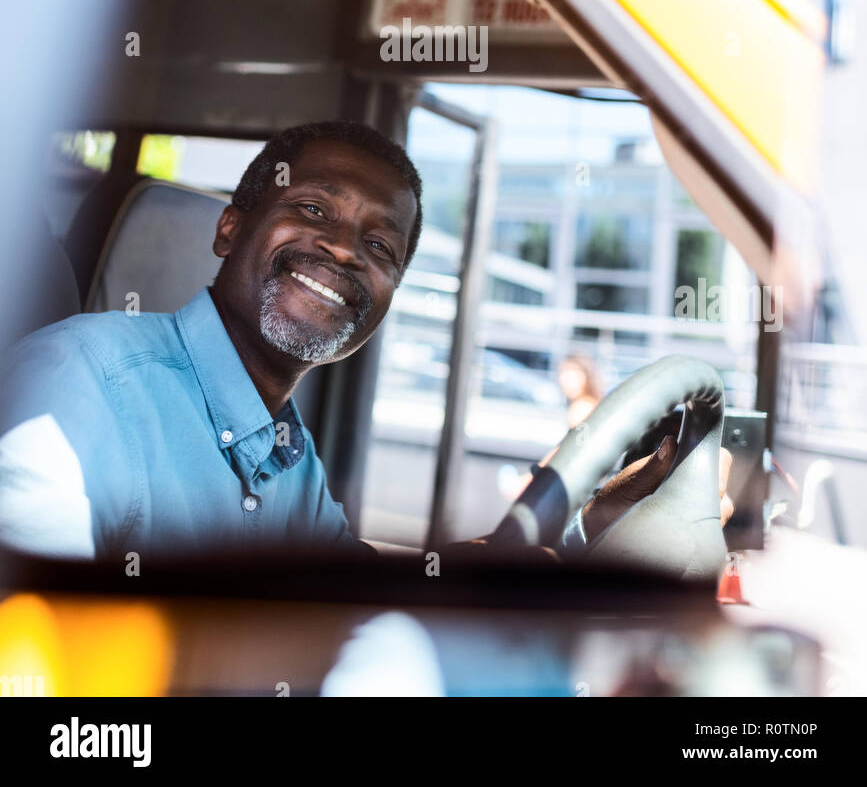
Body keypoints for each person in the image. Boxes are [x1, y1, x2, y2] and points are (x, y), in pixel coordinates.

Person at [0, 120, 730, 560]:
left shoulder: (288, 456)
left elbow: (357, 598)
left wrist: (597, 513)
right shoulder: (80, 387)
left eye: (380, 247)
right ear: (229, 228)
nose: (345, 252)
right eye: (313, 208)